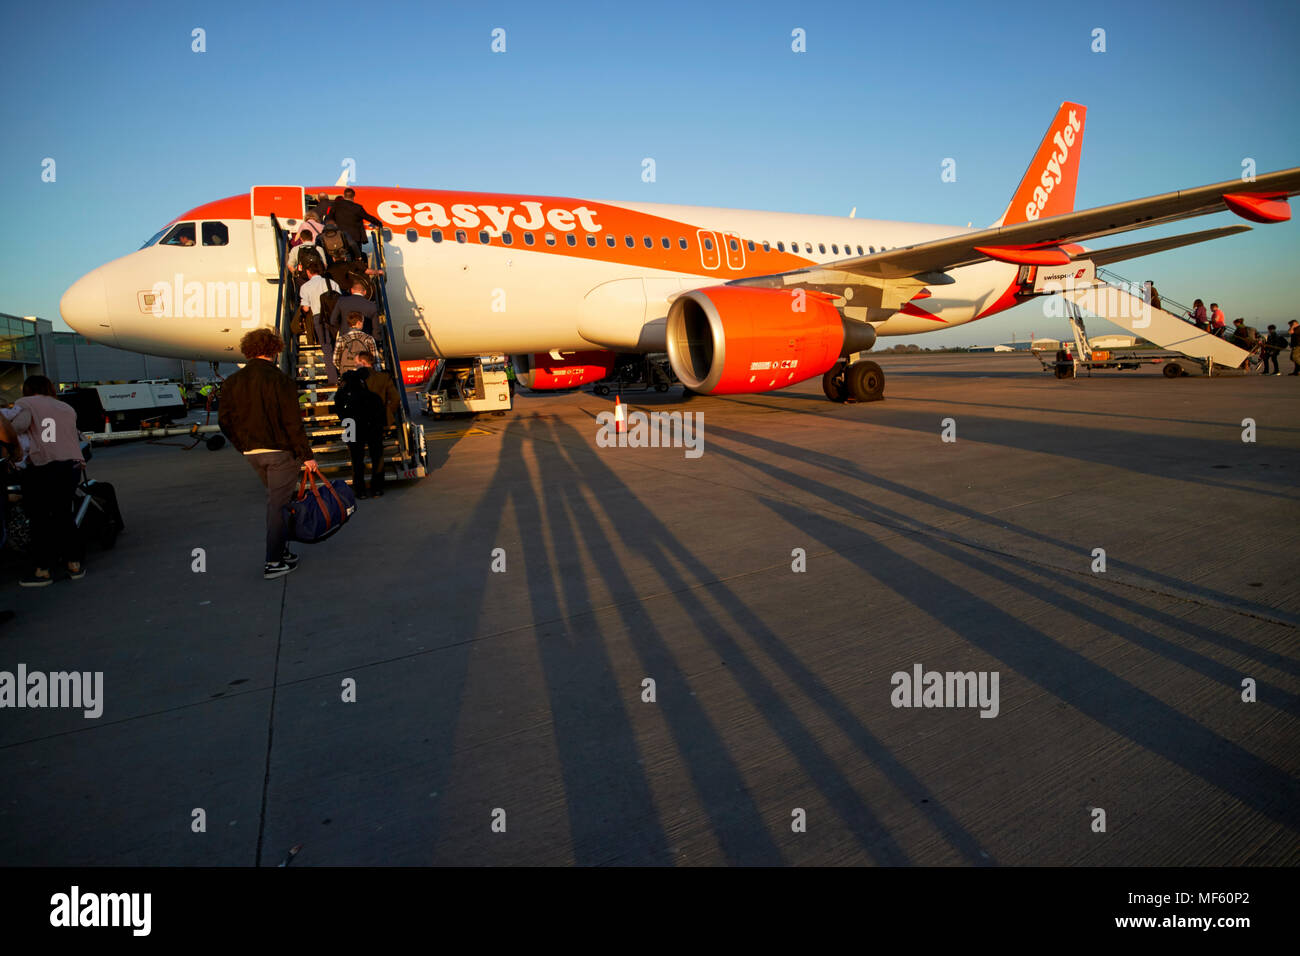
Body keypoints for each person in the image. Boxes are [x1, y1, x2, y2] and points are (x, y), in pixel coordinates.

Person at [217, 328, 319, 579]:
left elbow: (224, 421)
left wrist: (242, 445)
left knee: (277, 502)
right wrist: (306, 455)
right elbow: (293, 422)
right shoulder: (280, 380)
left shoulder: (232, 382)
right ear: (274, 350)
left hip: (253, 452)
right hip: (280, 453)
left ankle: (281, 552)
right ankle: (273, 562)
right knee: (278, 507)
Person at [9, 376, 86, 587]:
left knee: (40, 518)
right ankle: (74, 564)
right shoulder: (65, 407)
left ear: (28, 389)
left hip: (42, 467)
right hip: (71, 466)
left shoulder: (26, 403)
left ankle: (42, 570)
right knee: (63, 514)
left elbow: (18, 426)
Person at [334, 350, 399, 499]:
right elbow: (395, 399)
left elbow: (338, 401)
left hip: (353, 424)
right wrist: (386, 417)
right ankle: (377, 488)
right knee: (377, 456)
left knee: (357, 459)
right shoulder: (383, 377)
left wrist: (344, 417)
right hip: (374, 422)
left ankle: (360, 491)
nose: (355, 365)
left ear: (362, 362)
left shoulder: (349, 377)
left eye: (356, 362)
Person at [299, 262, 342, 384]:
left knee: (326, 347)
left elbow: (306, 308)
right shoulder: (332, 283)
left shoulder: (305, 287)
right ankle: (342, 373)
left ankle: (333, 378)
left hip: (319, 317)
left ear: (308, 272)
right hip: (333, 316)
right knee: (336, 344)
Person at [333, 312, 379, 377]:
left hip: (347, 375)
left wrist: (342, 368)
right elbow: (375, 359)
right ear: (359, 323)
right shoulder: (369, 339)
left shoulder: (341, 339)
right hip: (365, 375)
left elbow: (335, 360)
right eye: (362, 322)